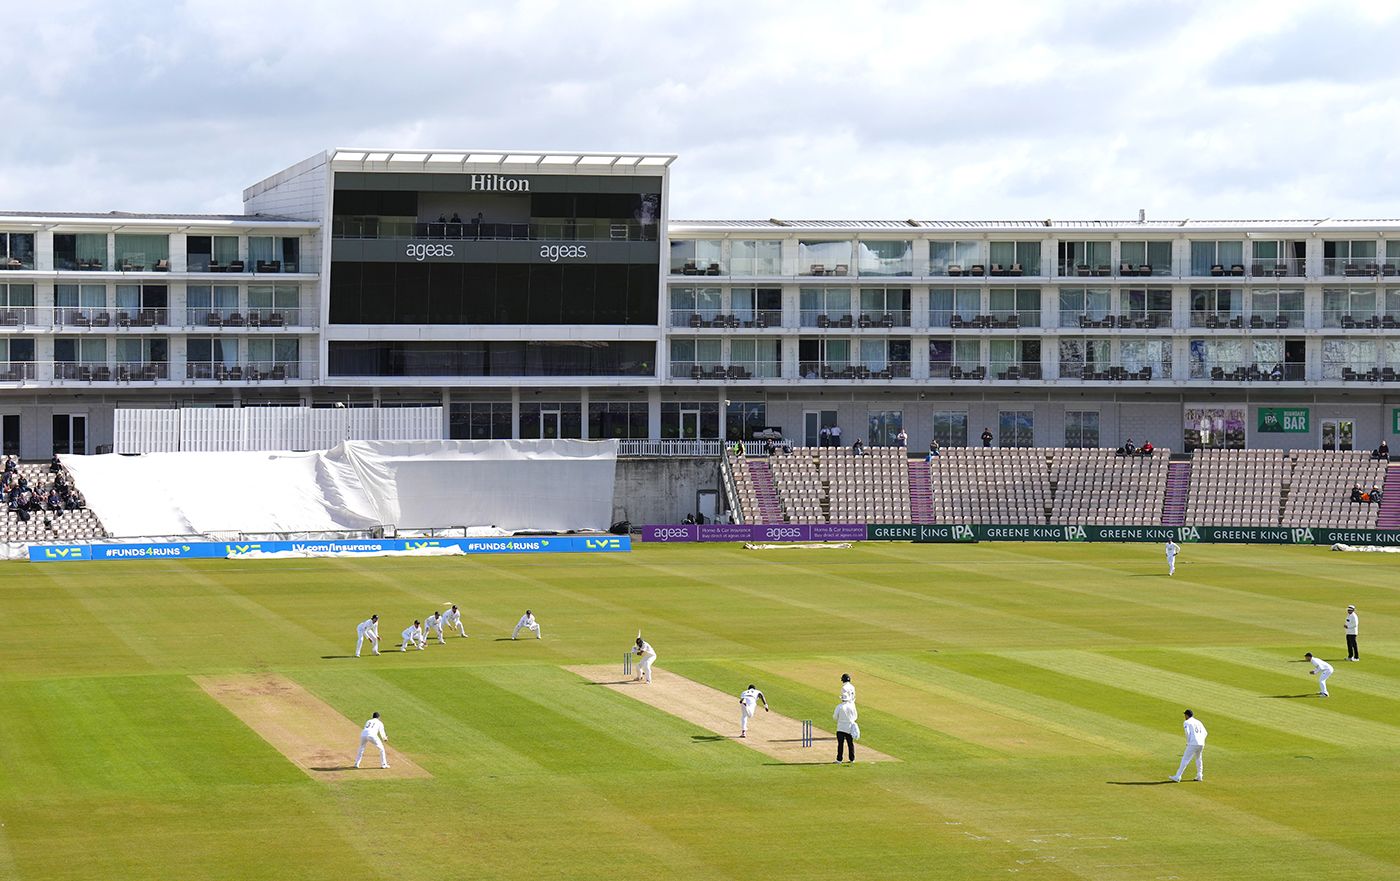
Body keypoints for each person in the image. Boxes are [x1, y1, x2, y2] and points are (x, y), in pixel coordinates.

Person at [1169, 709, 1207, 782]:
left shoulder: (1186, 722)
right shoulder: (1198, 722)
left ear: (1187, 715)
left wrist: (1188, 742)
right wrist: (1201, 740)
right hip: (1201, 743)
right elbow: (1205, 733)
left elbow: (1187, 732)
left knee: (1185, 759)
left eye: (1185, 715)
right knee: (1198, 758)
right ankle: (1199, 776)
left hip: (1193, 743)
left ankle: (1178, 776)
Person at [833, 695, 858, 764]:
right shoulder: (852, 707)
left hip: (840, 728)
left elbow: (835, 717)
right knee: (850, 744)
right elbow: (855, 716)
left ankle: (839, 760)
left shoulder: (839, 707)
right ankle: (852, 759)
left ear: (842, 699)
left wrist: (841, 720)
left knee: (840, 744)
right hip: (849, 728)